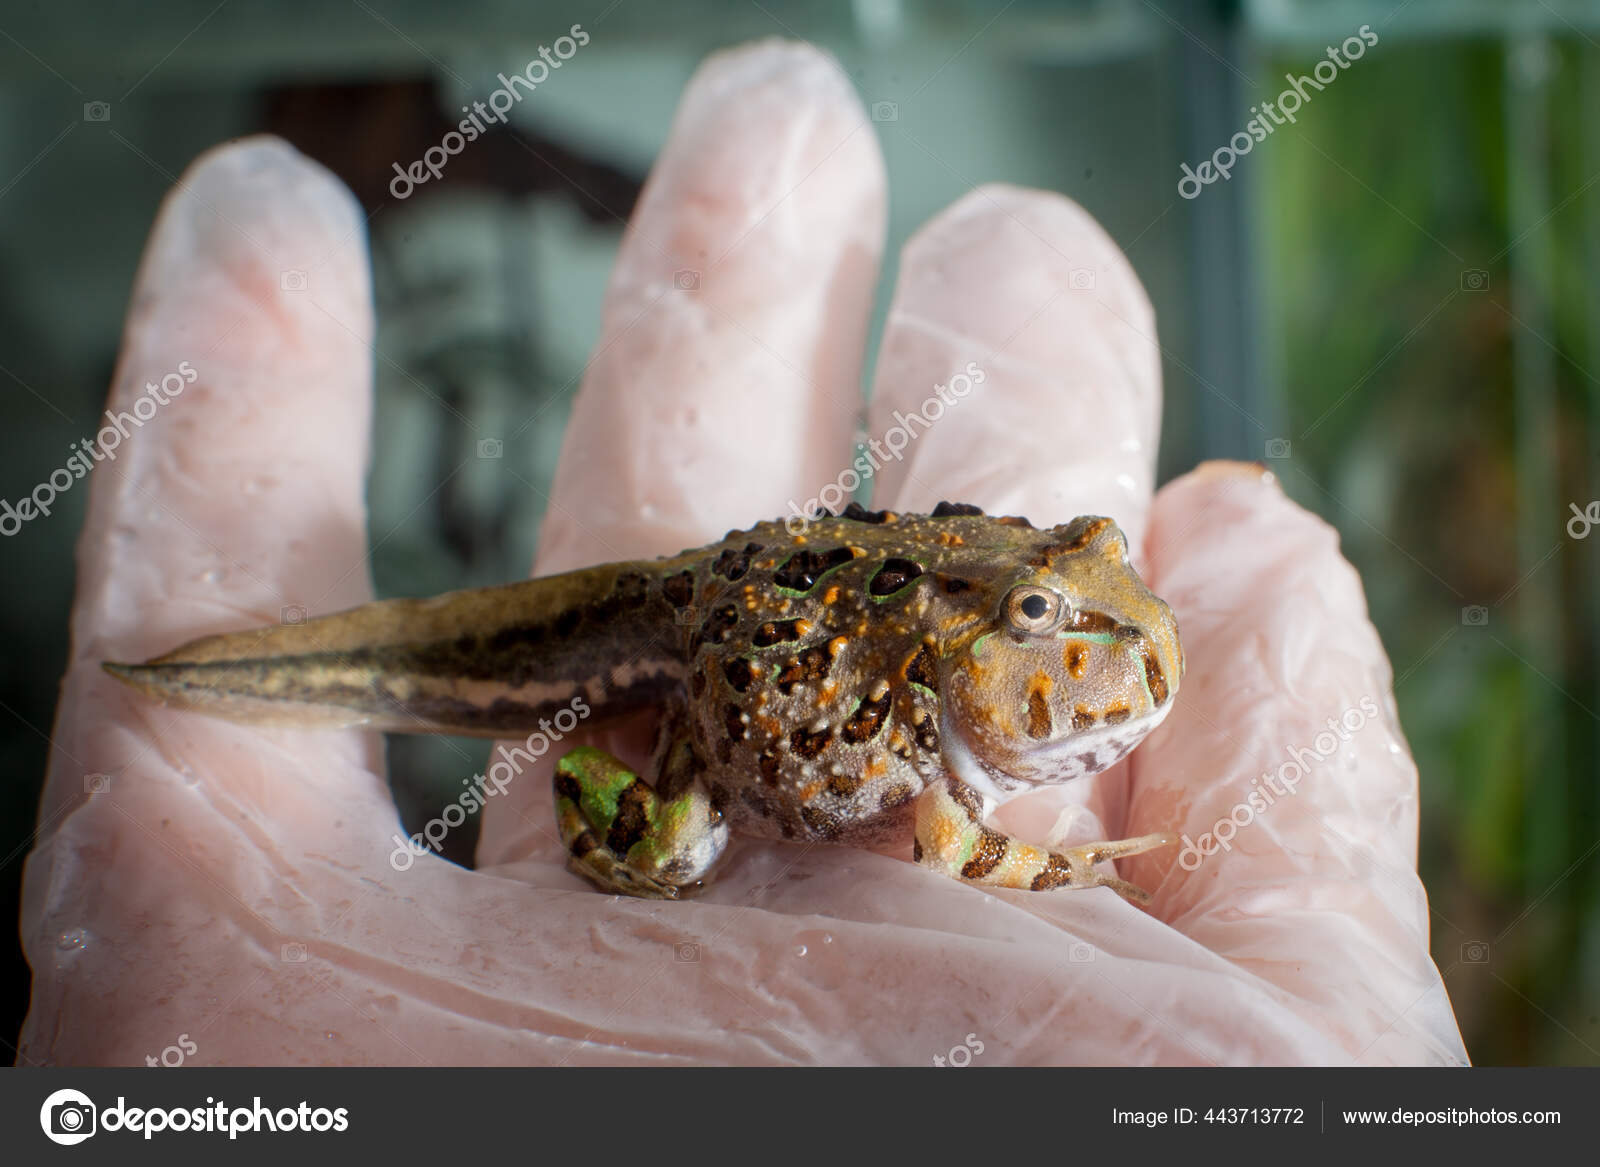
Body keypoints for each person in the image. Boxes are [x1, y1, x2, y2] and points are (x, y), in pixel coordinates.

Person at [19, 40, 1466, 1065]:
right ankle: (572, 764)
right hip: (718, 706)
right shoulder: (954, 728)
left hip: (743, 591)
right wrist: (1073, 874)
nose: (1106, 631)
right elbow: (963, 848)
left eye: (1076, 596)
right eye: (1047, 609)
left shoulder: (980, 670)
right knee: (666, 858)